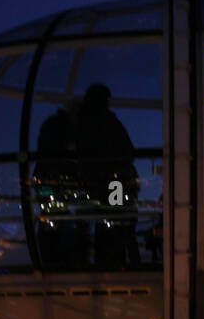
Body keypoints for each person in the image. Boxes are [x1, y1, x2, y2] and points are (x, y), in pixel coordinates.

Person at [76, 83, 140, 269]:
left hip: (93, 182)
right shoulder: (109, 122)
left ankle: (93, 260)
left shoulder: (83, 123)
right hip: (114, 182)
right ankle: (115, 259)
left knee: (92, 222)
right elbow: (128, 151)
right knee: (116, 222)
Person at [34, 100, 83, 269]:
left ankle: (51, 258)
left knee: (51, 217)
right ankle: (59, 258)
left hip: (46, 181)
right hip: (53, 182)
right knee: (55, 217)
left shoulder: (52, 125)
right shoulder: (65, 129)